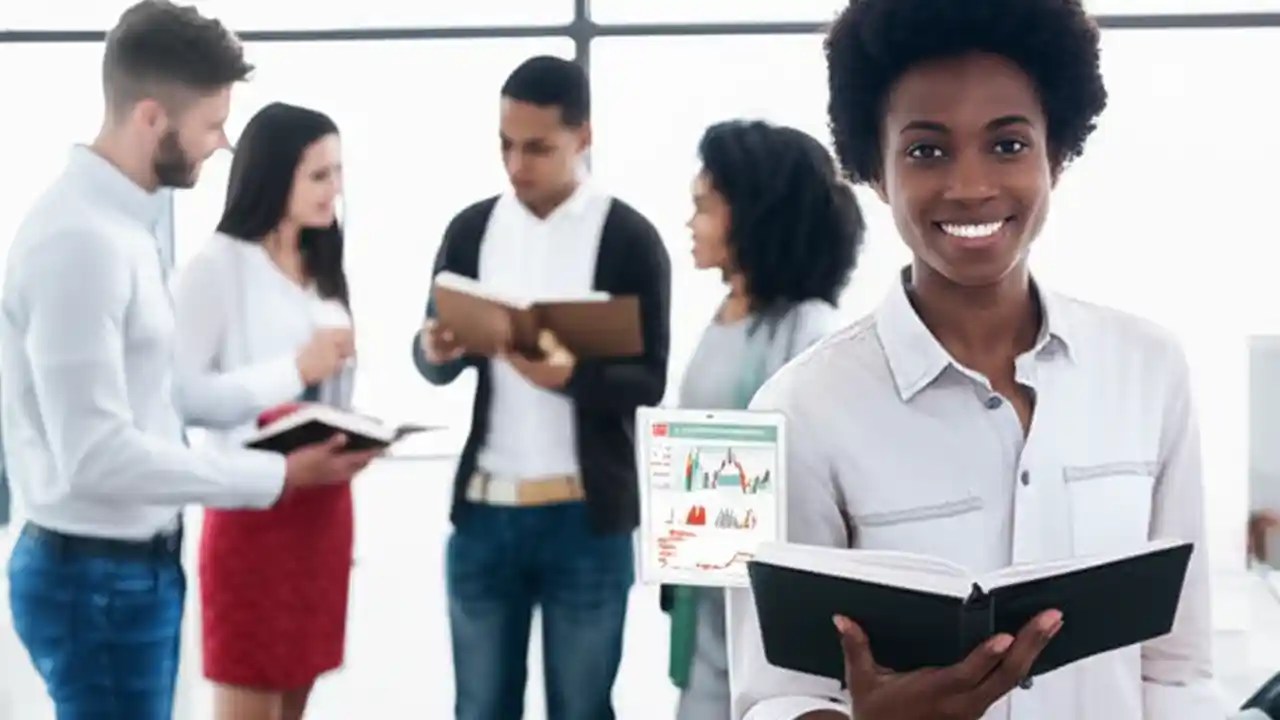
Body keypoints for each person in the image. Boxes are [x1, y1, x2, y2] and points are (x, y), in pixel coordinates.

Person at [728, 0, 1224, 719]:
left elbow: (1178, 674)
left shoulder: (1149, 371)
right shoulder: (800, 408)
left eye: (1008, 144)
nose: (970, 186)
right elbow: (772, 700)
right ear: (875, 170)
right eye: (926, 150)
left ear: (1057, 153)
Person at [0, 3, 380, 718]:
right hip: (96, 576)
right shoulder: (80, 243)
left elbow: (164, 405)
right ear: (152, 118)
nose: (222, 143)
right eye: (210, 124)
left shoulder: (121, 229)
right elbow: (97, 457)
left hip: (126, 567)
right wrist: (275, 473)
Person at [412, 55, 671, 720]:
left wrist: (570, 377)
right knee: (479, 708)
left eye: (537, 147)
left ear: (583, 136)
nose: (516, 164)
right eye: (505, 144)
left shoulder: (629, 237)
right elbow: (434, 360)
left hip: (585, 519)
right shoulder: (472, 229)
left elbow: (649, 379)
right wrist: (434, 349)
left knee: (583, 709)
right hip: (484, 511)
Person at [667, 119, 863, 720]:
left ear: (752, 213)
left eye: (704, 206)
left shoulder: (805, 328)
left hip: (761, 593)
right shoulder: (723, 315)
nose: (690, 222)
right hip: (705, 583)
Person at [171, 101, 357, 720]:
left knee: (298, 701)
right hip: (251, 516)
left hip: (321, 514)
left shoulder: (322, 269)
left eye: (337, 173)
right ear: (274, 175)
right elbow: (184, 397)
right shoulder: (214, 269)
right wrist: (295, 370)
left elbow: (333, 397)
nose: (335, 189)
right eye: (319, 175)